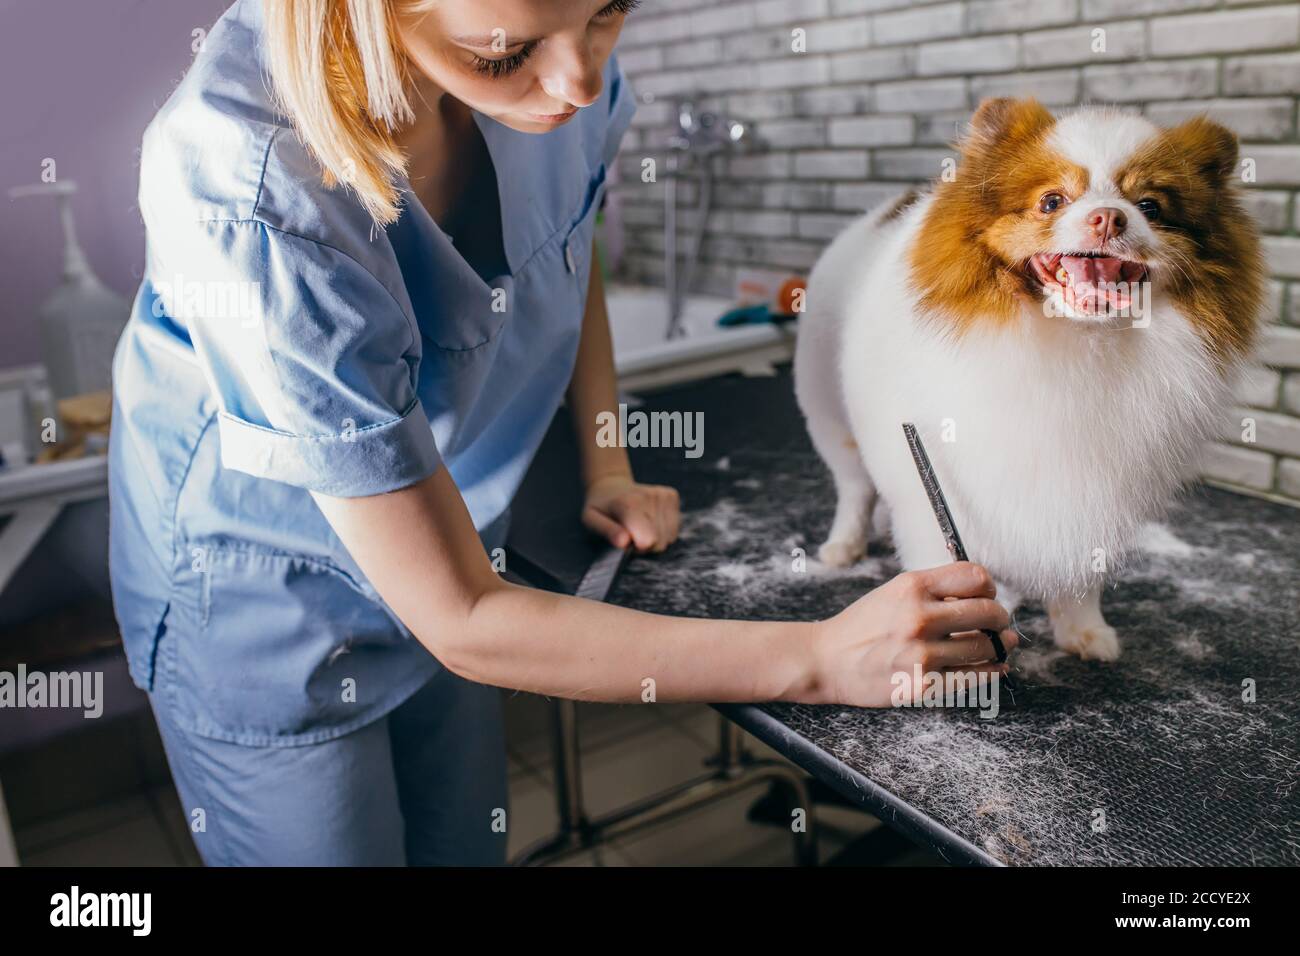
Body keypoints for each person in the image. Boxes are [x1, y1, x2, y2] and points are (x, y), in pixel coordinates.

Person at [108, 0, 1016, 866]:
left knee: (465, 847)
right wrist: (818, 659)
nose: (581, 81)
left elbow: (562, 246)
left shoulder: (560, 61)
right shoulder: (248, 178)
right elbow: (462, 619)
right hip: (269, 601)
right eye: (502, 54)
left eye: (612, 9)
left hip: (457, 537)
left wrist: (607, 460)